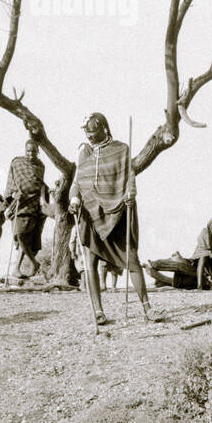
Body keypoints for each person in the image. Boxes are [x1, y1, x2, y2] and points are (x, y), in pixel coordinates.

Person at [68, 112, 159, 324]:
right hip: (91, 214)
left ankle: (147, 308)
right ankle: (98, 311)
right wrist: (74, 199)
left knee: (132, 260)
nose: (89, 137)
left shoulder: (121, 149)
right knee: (90, 261)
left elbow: (129, 177)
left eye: (93, 132)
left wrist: (130, 194)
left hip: (117, 214)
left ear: (104, 129)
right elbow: (77, 182)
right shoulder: (84, 153)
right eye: (87, 133)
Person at [146, 218, 212, 290]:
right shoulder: (204, 235)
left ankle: (163, 280)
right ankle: (199, 285)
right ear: (210, 230)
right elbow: (202, 255)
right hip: (198, 267)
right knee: (192, 261)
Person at [4, 140, 49, 280]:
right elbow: (10, 182)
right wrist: (13, 194)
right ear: (25, 150)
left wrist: (44, 199)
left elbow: (40, 183)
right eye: (28, 151)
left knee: (28, 239)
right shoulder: (17, 163)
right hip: (19, 204)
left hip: (34, 205)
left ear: (37, 151)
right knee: (19, 235)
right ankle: (34, 263)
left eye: (33, 151)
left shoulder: (41, 165)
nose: (30, 154)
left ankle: (16, 269)